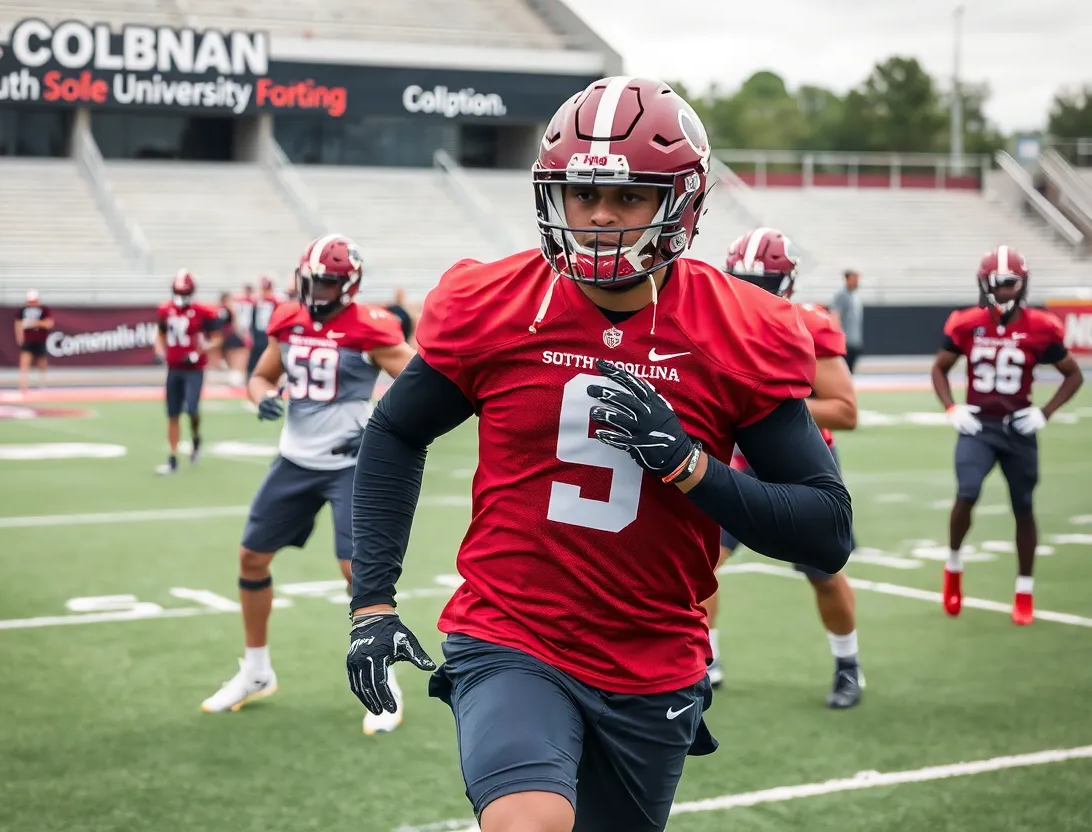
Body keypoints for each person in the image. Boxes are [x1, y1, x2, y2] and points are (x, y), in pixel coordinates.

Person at [344, 77, 854, 832]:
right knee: (529, 824)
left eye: (630, 197)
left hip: (654, 656)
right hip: (511, 632)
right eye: (583, 195)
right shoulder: (498, 303)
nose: (602, 217)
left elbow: (826, 528)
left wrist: (690, 466)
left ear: (682, 204)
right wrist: (373, 600)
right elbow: (395, 431)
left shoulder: (741, 329)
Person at [202, 234, 416, 736]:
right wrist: (260, 398)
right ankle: (256, 670)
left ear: (348, 285)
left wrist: (376, 428)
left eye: (326, 281)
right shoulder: (287, 320)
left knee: (356, 572)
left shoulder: (372, 326)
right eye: (311, 279)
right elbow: (260, 377)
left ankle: (384, 681)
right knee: (251, 558)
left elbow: (421, 385)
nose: (316, 289)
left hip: (348, 464)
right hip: (294, 460)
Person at [705, 227, 863, 708]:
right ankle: (704, 661)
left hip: (802, 466)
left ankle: (848, 666)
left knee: (823, 573)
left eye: (765, 281)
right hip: (741, 461)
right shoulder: (716, 318)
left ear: (788, 282)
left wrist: (767, 406)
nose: (753, 291)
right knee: (702, 561)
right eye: (744, 280)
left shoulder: (809, 324)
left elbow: (845, 410)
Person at [931, 245, 1083, 625]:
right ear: (984, 284)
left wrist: (1044, 413)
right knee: (966, 494)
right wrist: (952, 407)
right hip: (979, 427)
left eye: (1010, 283)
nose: (1003, 290)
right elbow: (939, 368)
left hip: (1019, 428)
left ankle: (1024, 590)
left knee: (1024, 507)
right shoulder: (966, 323)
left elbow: (1074, 374)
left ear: (1023, 284)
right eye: (996, 283)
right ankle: (952, 567)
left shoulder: (1041, 326)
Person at [155, 270, 221, 475]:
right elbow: (161, 334)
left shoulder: (203, 311)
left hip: (194, 369)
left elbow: (217, 338)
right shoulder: (165, 309)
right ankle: (173, 458)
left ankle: (195, 438)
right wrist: (161, 351)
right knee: (172, 414)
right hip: (174, 368)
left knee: (192, 409)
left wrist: (199, 352)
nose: (181, 295)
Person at [15, 289, 53, 396]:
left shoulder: (44, 310)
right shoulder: (22, 310)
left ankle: (43, 383)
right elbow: (18, 324)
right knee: (24, 362)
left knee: (42, 362)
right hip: (28, 340)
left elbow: (49, 323)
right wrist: (20, 337)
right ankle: (23, 384)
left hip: (40, 339)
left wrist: (34, 323)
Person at [246, 276, 278, 378]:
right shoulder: (257, 303)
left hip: (269, 337)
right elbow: (252, 320)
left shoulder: (275, 302)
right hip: (257, 337)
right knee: (253, 363)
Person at [832, 269, 863, 373]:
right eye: (854, 279)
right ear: (847, 279)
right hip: (845, 342)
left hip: (854, 340)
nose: (856, 281)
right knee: (844, 372)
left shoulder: (855, 296)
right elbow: (835, 315)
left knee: (850, 371)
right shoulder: (842, 295)